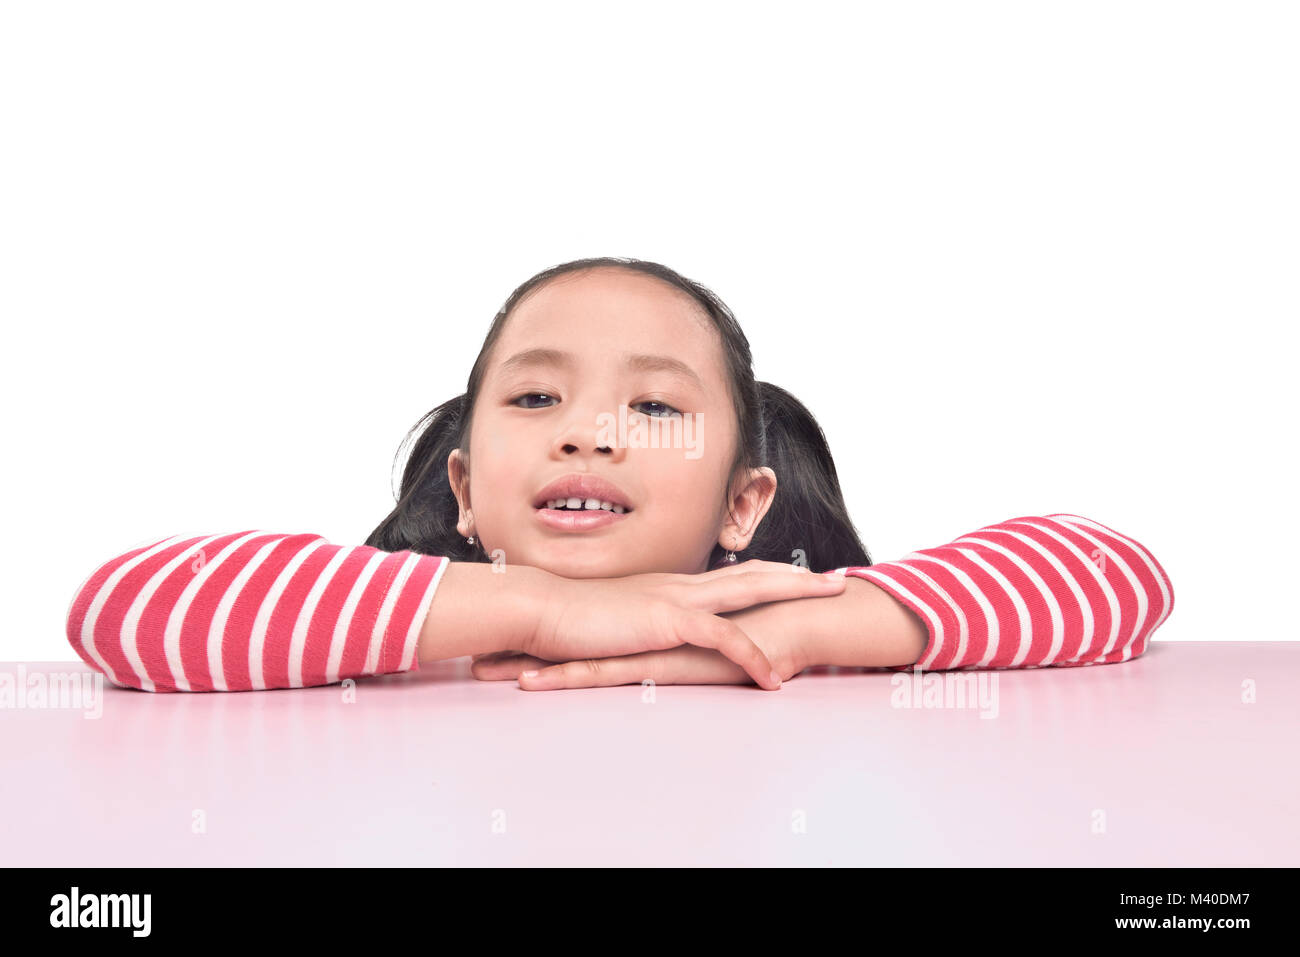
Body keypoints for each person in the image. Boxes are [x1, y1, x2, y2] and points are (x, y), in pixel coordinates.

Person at [64, 257, 1175, 693]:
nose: (587, 436)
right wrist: (546, 614)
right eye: (537, 399)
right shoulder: (378, 644)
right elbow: (120, 612)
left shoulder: (785, 640)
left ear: (746, 505)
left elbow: (1113, 568)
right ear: (461, 488)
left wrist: (801, 635)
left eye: (651, 407)